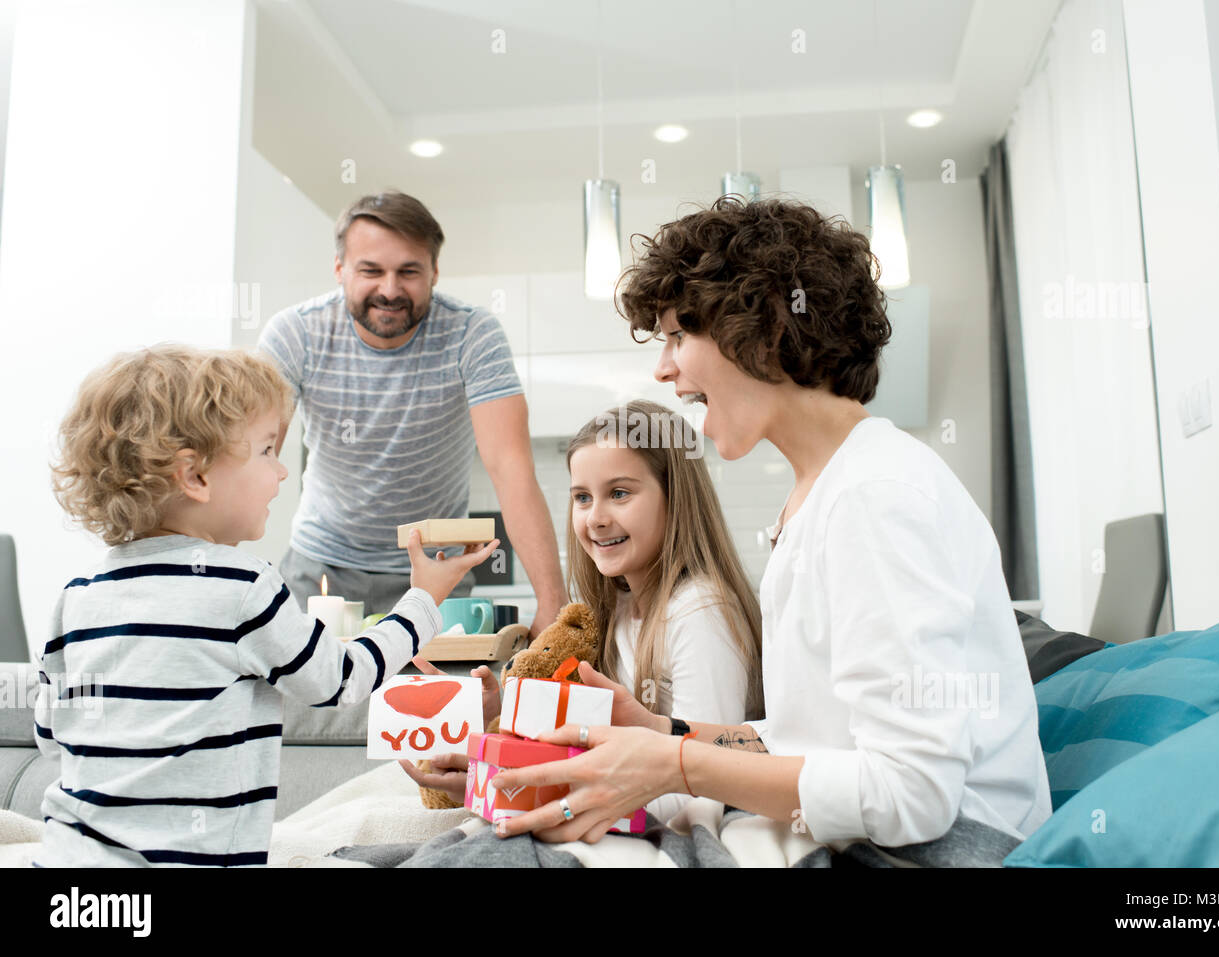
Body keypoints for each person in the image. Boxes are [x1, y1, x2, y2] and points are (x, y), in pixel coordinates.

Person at [488, 197, 1053, 848]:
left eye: (678, 336)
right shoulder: (822, 493)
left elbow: (913, 794)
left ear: (763, 332)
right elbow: (798, 740)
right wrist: (661, 730)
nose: (662, 368)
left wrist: (673, 766)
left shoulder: (875, 497)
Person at [38, 345, 496, 866]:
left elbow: (54, 738)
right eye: (266, 451)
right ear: (195, 476)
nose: (281, 473)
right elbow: (339, 680)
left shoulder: (76, 596)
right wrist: (424, 599)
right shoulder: (242, 586)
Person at [401, 400, 762, 825]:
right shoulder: (618, 608)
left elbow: (701, 789)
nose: (596, 518)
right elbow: (590, 753)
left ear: (675, 498)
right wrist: (495, 767)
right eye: (583, 498)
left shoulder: (700, 612)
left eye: (620, 494)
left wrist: (543, 796)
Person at [257, 190, 565, 639]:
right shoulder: (296, 333)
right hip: (321, 567)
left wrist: (552, 601)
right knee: (312, 709)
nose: (390, 289)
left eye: (408, 272)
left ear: (435, 272)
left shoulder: (471, 334)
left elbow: (510, 467)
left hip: (437, 571)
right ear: (340, 268)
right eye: (371, 270)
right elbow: (253, 455)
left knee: (442, 707)